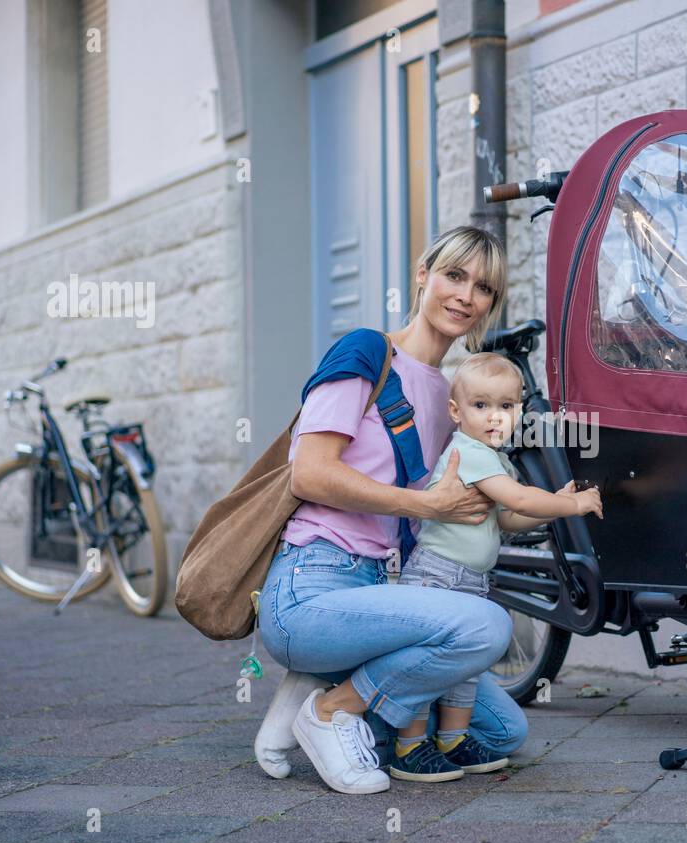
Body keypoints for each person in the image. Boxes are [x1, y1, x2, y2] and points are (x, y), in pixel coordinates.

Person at [252, 225, 528, 795]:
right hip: (314, 584)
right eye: (453, 275)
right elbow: (311, 472)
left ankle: (319, 683)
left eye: (483, 289)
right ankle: (330, 710)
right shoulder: (366, 352)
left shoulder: (456, 395)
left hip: (389, 594)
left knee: (502, 733)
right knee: (486, 627)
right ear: (423, 275)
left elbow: (466, 506)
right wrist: (427, 504)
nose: (465, 296)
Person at [388, 353, 603, 781]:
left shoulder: (493, 458)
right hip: (439, 576)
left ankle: (452, 738)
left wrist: (553, 510)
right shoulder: (468, 453)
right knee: (431, 664)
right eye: (480, 405)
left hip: (470, 579)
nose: (494, 417)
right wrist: (573, 503)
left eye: (506, 406)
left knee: (465, 667)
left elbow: (508, 518)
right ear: (456, 411)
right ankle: (408, 747)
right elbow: (520, 499)